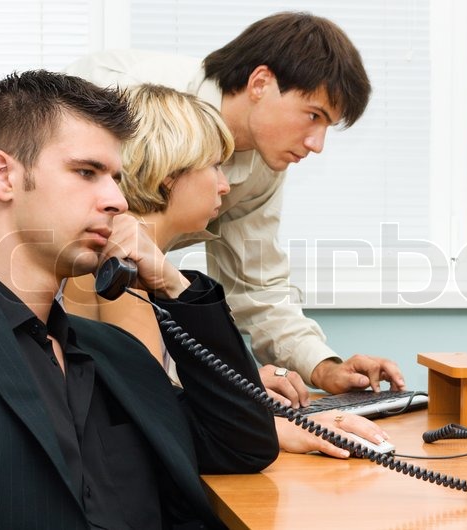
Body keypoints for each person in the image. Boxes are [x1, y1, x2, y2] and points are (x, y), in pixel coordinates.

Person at [0, 70, 278, 530]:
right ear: (3, 176)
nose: (118, 200)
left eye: (116, 178)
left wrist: (173, 285)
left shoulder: (117, 356)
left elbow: (243, 445)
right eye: (86, 172)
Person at [62, 11, 407, 398]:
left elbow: (255, 285)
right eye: (313, 116)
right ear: (260, 83)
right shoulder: (134, 107)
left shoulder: (266, 158)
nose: (317, 144)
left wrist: (323, 367)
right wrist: (231, 389)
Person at [62, 83, 390, 459]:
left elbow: (150, 382)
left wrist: (241, 386)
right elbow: (151, 412)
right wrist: (279, 426)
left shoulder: (137, 248)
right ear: (170, 173)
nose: (224, 185)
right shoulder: (126, 262)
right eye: (215, 166)